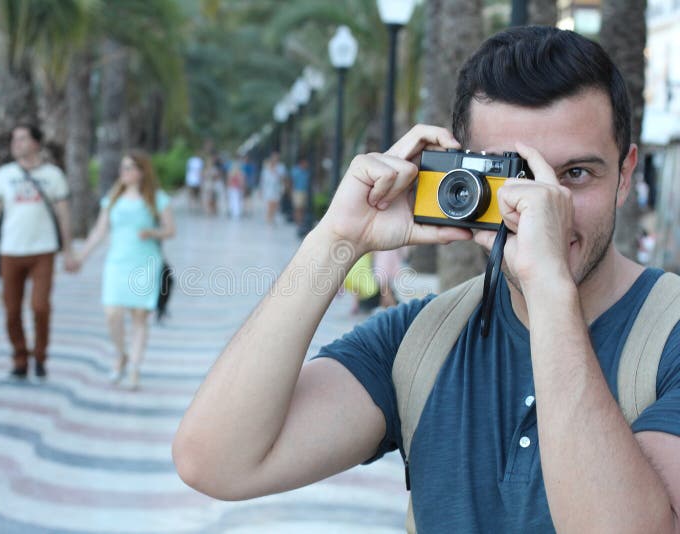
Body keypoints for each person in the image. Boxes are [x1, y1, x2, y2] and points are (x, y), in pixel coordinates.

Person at [173, 26, 680, 532]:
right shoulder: (422, 340)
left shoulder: (670, 335)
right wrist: (337, 240)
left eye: (575, 175)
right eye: (517, 175)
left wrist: (550, 290)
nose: (545, 206)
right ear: (466, 171)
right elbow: (215, 462)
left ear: (626, 174)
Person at [0, 124, 79, 380]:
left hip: (43, 250)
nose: (16, 143)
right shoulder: (3, 175)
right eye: (14, 139)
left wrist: (68, 251)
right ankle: (20, 357)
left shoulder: (53, 175)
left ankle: (40, 356)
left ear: (36, 143)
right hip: (10, 250)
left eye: (22, 138)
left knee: (40, 307)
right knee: (11, 309)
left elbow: (62, 215)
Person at [76, 149, 175, 390]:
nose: (124, 172)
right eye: (123, 168)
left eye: (130, 168)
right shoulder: (113, 197)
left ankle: (134, 368)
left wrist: (152, 232)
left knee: (140, 317)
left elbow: (170, 230)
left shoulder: (157, 198)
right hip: (117, 262)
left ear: (142, 172)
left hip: (145, 262)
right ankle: (121, 353)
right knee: (112, 313)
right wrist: (82, 256)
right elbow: (100, 231)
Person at [260, 151, 285, 225]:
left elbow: (283, 178)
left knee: (276, 205)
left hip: (277, 189)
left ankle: (272, 217)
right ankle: (269, 219)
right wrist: (261, 190)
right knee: (270, 204)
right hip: (268, 189)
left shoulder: (281, 167)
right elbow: (263, 180)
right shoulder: (266, 168)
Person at [290, 156, 310, 226]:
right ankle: (298, 222)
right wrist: (291, 191)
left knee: (303, 207)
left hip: (304, 191)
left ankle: (301, 221)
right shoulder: (295, 171)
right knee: (298, 207)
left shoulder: (307, 172)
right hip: (297, 191)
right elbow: (291, 181)